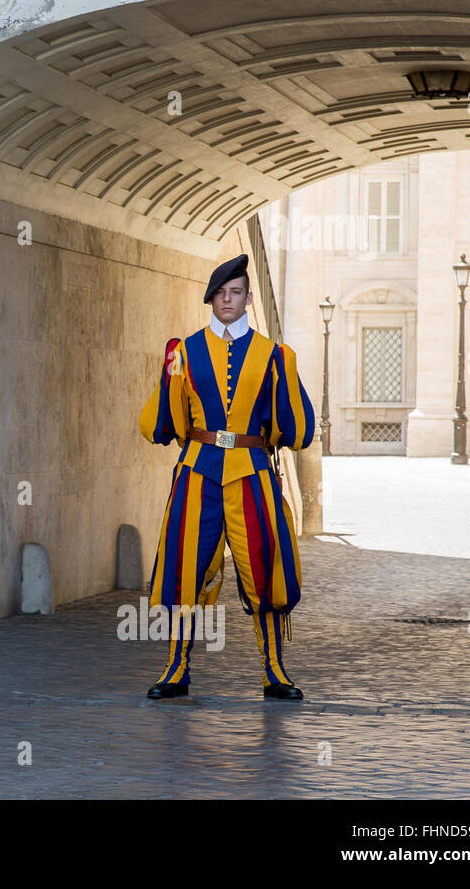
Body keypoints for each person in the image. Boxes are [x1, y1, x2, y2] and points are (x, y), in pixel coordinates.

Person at [137, 253, 315, 701]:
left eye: (235, 292)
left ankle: (274, 671)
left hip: (252, 473)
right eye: (220, 294)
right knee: (186, 569)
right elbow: (166, 416)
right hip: (198, 471)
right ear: (211, 300)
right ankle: (176, 669)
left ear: (248, 298)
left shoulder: (274, 355)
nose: (228, 300)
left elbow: (292, 427)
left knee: (265, 567)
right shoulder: (184, 352)